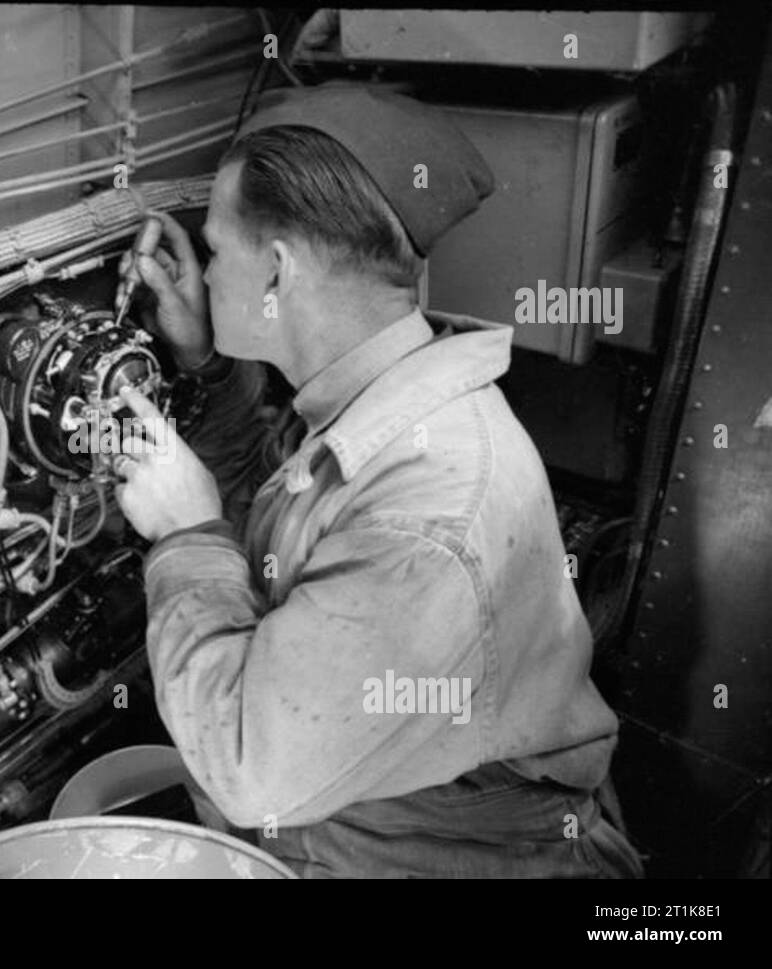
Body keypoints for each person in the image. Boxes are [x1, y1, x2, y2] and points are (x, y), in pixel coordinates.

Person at [111, 82, 644, 877]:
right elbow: (287, 529)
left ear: (277, 274)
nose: (206, 269)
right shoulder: (390, 396)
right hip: (368, 819)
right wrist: (204, 361)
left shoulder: (427, 511)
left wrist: (187, 540)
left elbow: (252, 771)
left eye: (217, 252)